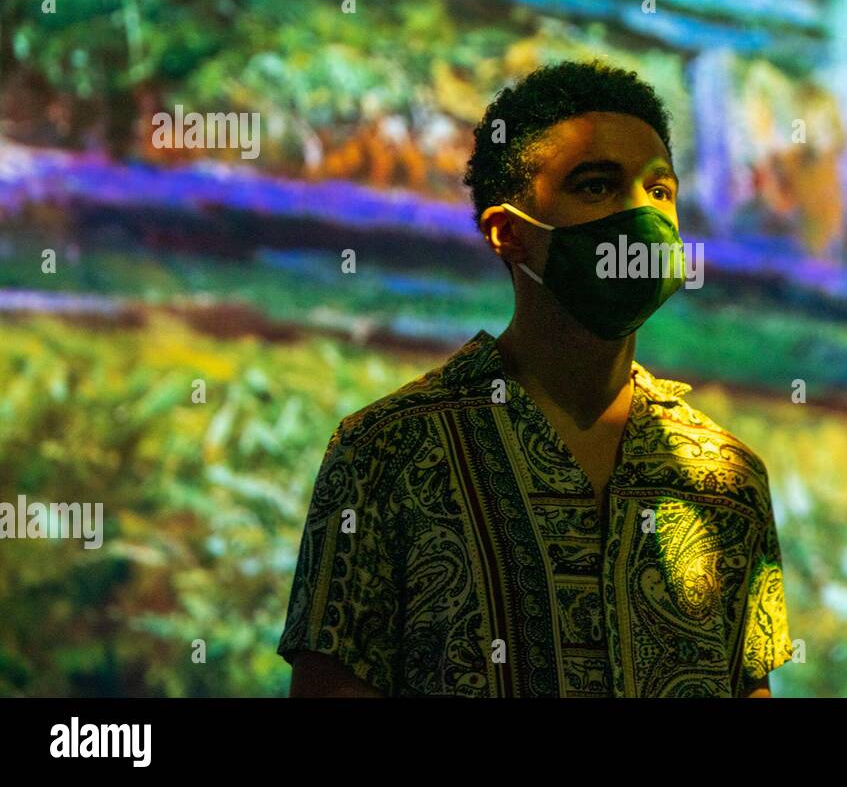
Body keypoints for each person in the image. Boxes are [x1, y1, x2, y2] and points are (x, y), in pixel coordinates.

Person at [277, 59, 794, 696]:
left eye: (659, 190)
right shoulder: (386, 453)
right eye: (597, 186)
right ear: (510, 235)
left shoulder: (726, 476)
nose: (642, 219)